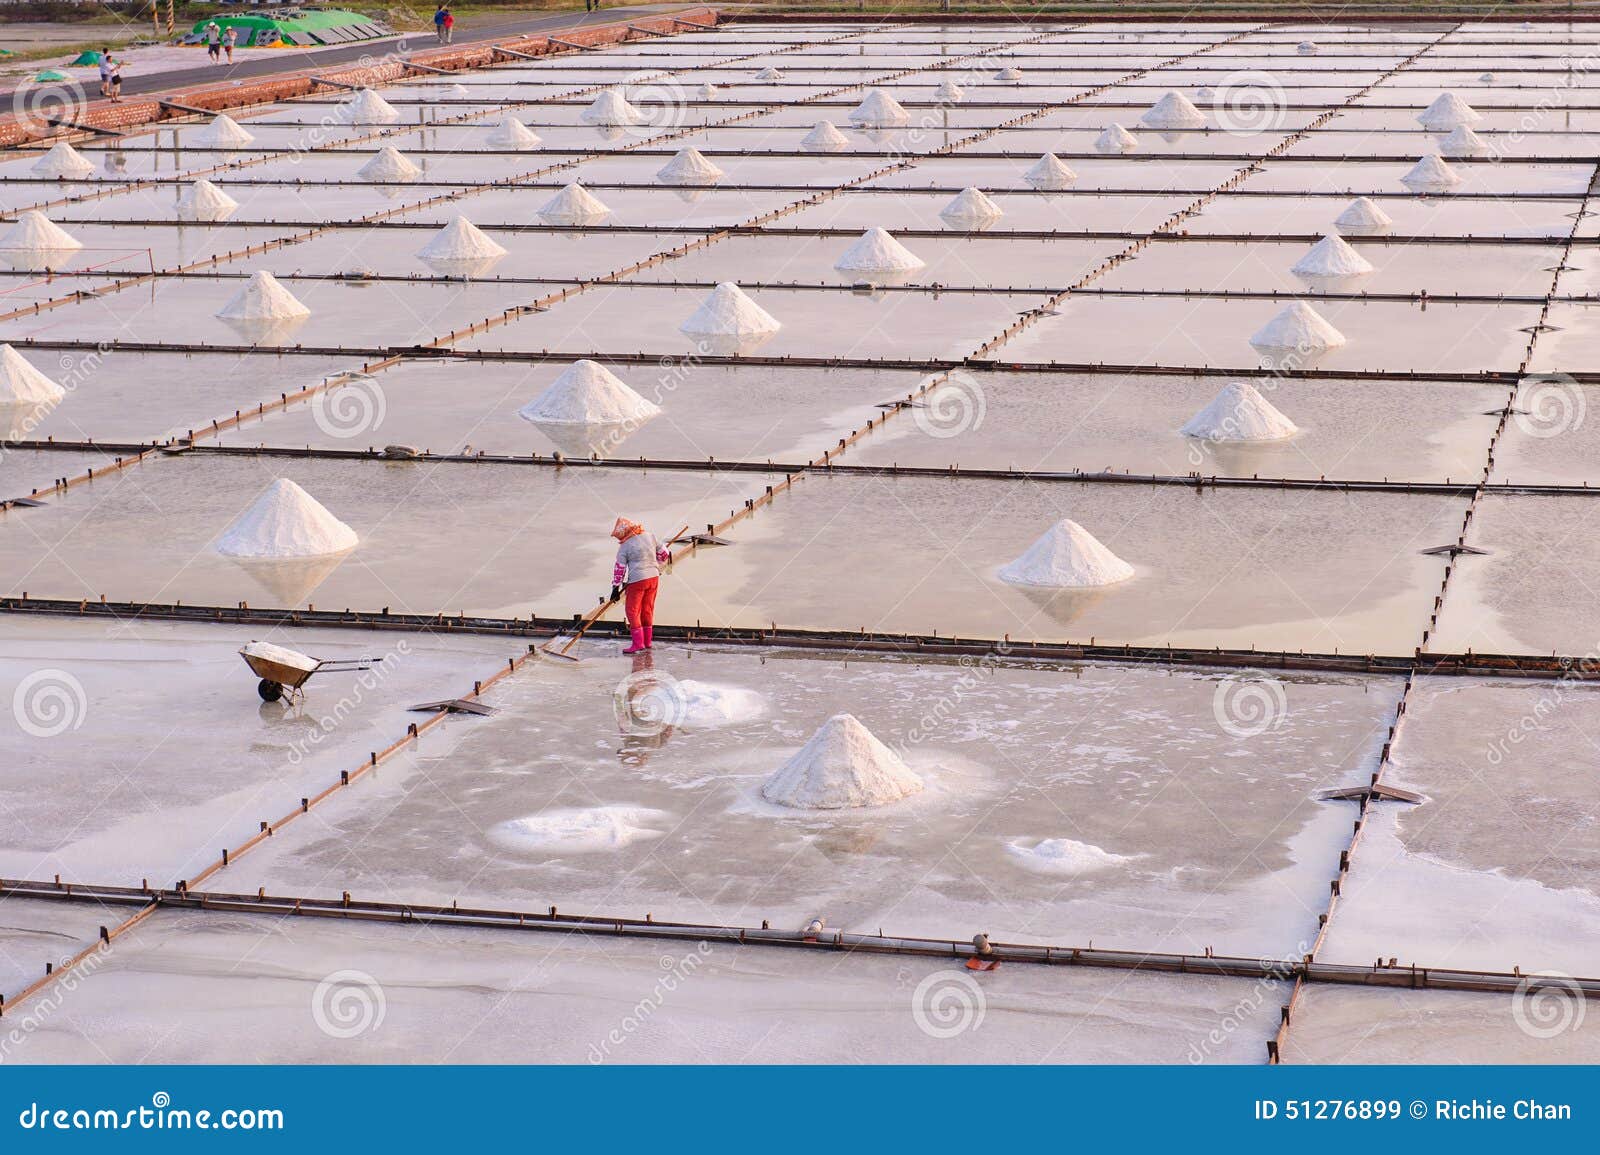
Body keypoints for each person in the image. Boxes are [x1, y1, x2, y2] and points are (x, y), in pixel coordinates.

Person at [610, 517, 669, 654]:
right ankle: (647, 642)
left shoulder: (625, 547)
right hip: (654, 577)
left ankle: (638, 644)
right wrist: (655, 563)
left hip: (637, 580)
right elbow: (665, 554)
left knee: (632, 611)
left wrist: (615, 588)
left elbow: (620, 569)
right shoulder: (650, 536)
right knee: (647, 609)